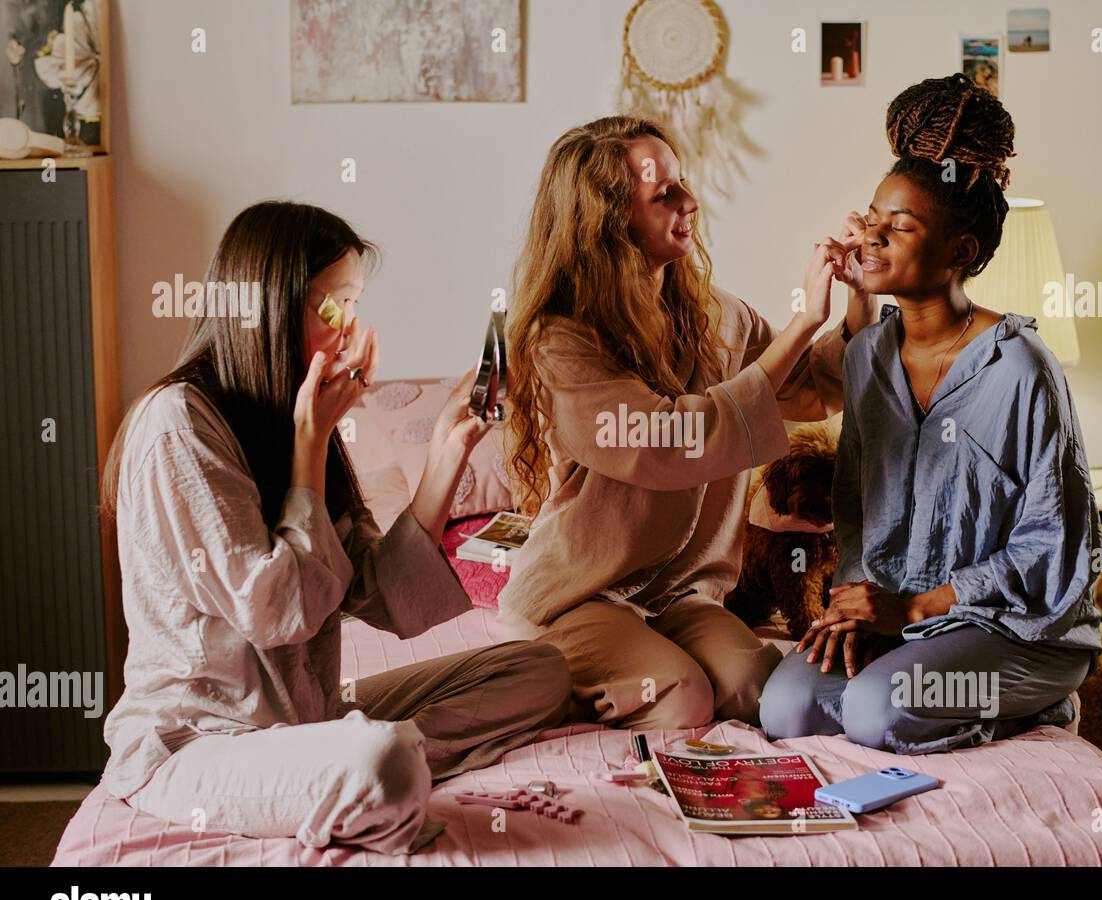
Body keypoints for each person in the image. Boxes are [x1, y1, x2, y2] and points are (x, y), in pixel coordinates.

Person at [100, 201, 571, 854]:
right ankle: (360, 761)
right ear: (268, 309)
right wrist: (310, 444)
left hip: (307, 717)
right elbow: (276, 613)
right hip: (201, 740)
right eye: (332, 306)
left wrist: (444, 456)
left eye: (353, 304)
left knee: (540, 668)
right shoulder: (178, 424)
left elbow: (381, 598)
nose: (350, 327)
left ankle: (344, 759)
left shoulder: (293, 414)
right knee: (385, 766)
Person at [760, 74, 1102, 754]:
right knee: (787, 708)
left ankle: (1046, 705)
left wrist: (919, 606)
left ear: (960, 253)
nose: (872, 237)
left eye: (902, 226)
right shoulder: (868, 359)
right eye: (872, 218)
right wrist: (856, 603)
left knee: (874, 710)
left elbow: (1053, 551)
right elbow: (857, 505)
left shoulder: (1022, 369)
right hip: (903, 618)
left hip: (1016, 628)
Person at [497, 116, 875, 730]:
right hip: (582, 594)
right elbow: (668, 442)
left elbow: (809, 389)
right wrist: (803, 320)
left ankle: (651, 660)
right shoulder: (562, 340)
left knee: (760, 689)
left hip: (686, 593)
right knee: (681, 696)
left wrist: (858, 294)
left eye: (683, 184)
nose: (690, 202)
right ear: (607, 219)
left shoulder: (718, 315)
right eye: (664, 194)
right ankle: (543, 679)